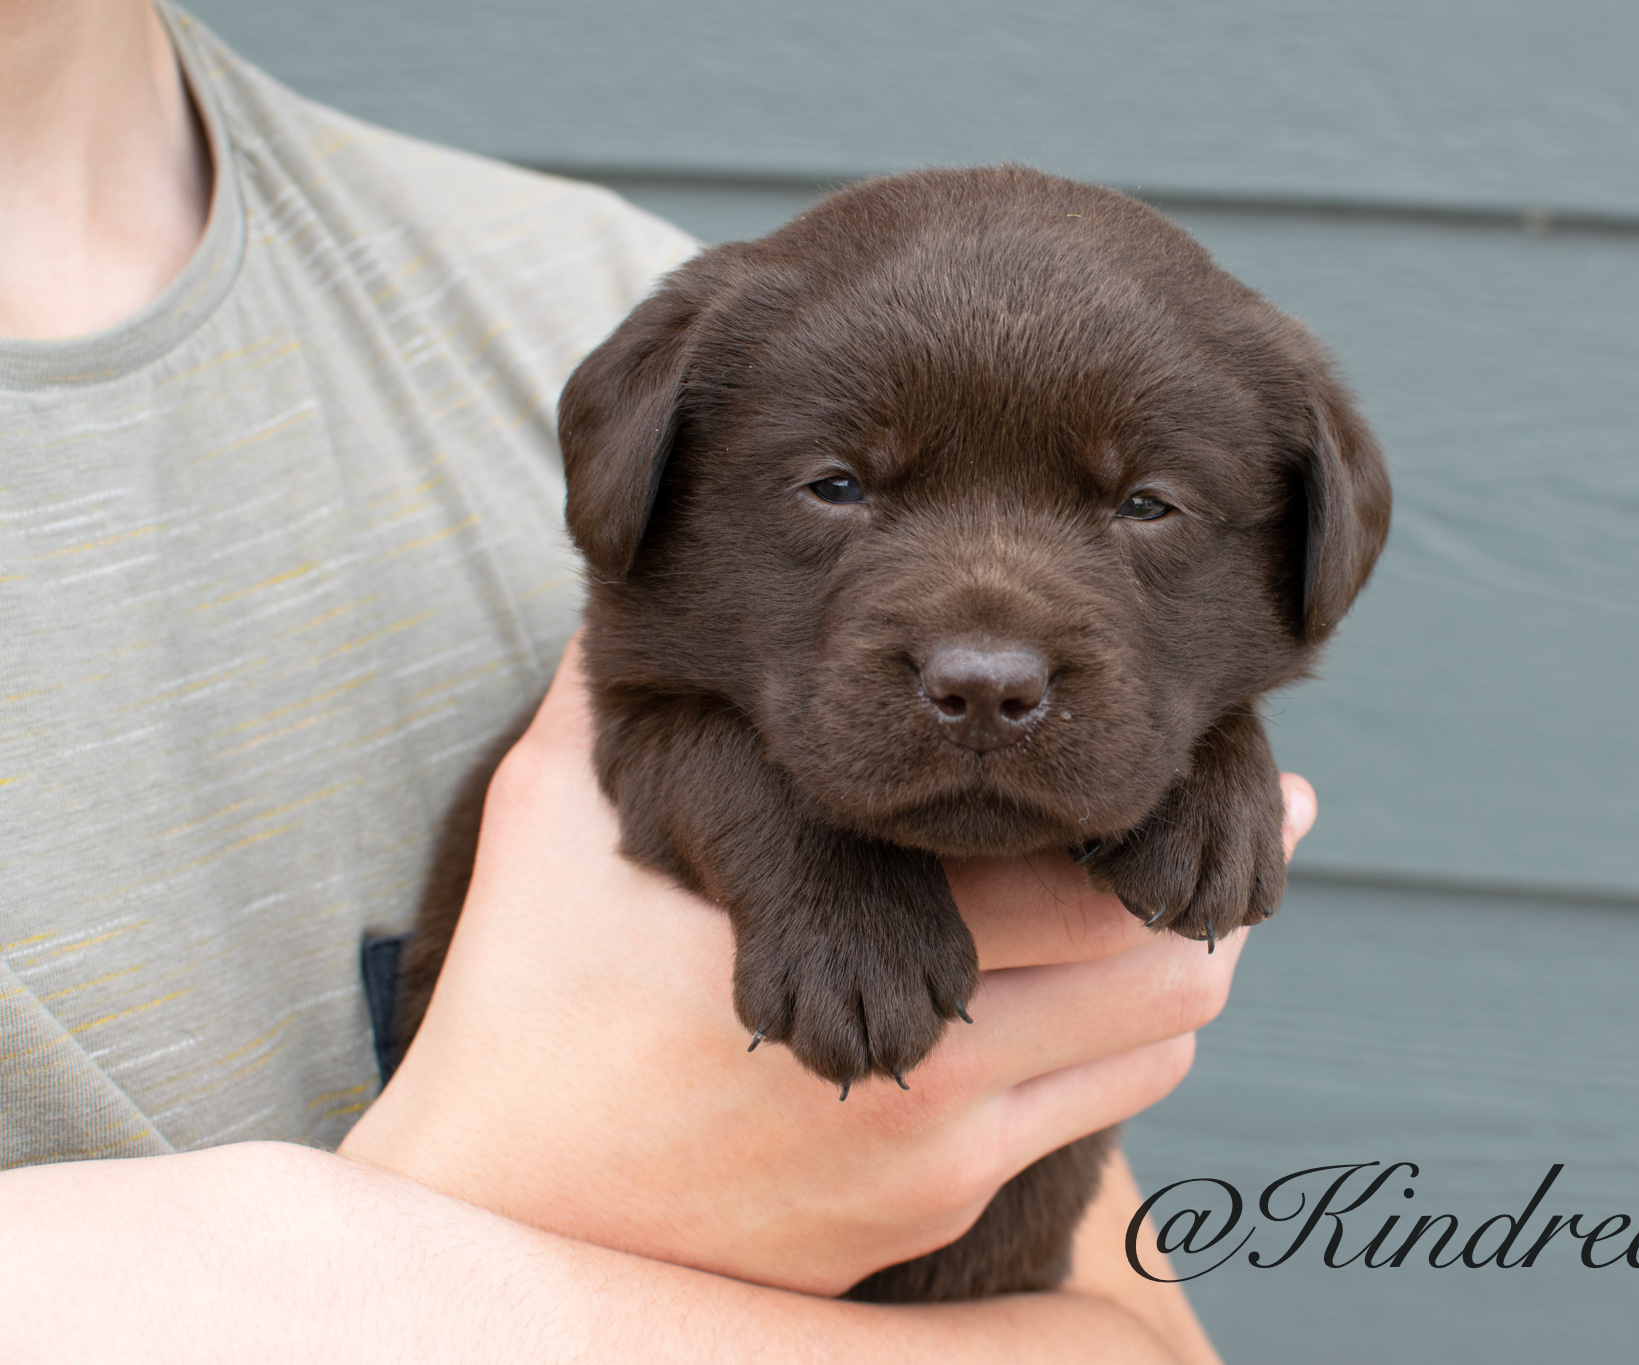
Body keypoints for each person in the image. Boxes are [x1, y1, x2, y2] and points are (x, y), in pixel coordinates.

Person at [0, 2, 1317, 1358]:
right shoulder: (713, 348)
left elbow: (1126, 1340)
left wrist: (1198, 735)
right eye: (838, 488)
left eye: (1144, 508)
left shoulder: (574, 282)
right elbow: (651, 702)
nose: (986, 654)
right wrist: (432, 1266)